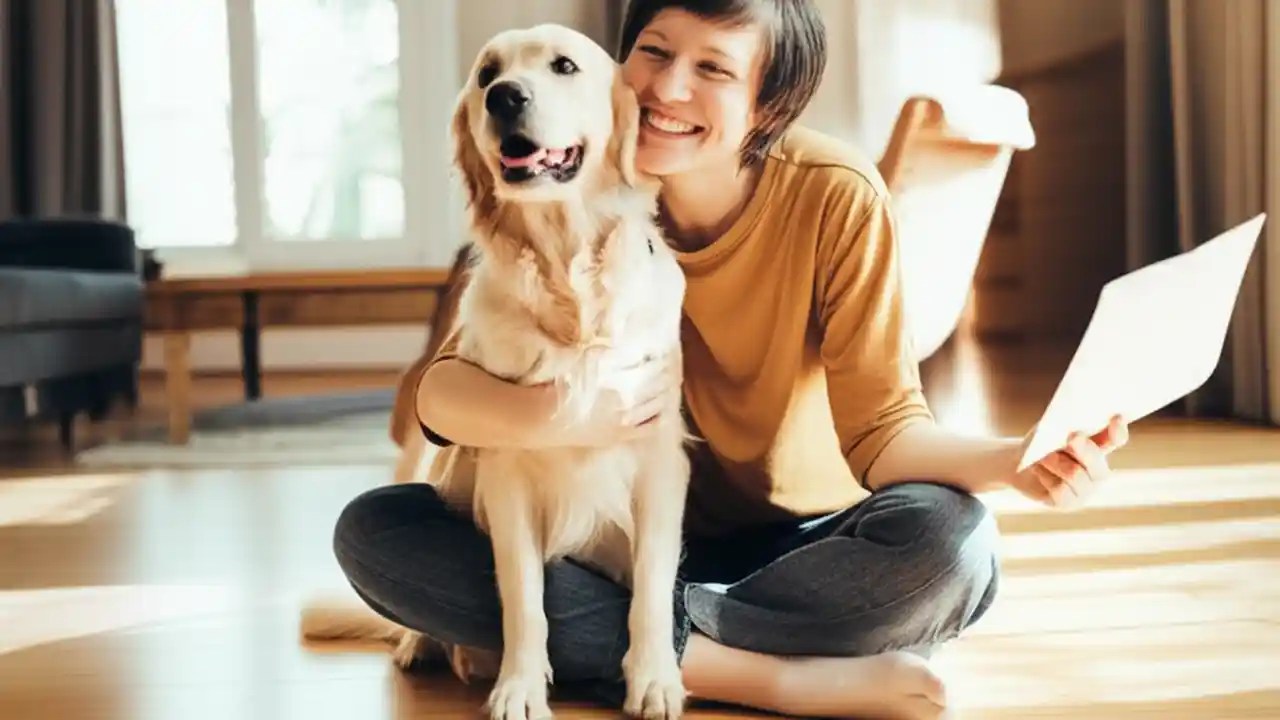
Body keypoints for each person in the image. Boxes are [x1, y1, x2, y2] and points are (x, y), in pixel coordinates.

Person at [332, 1, 1131, 718]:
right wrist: (563, 413)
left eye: (712, 68)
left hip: (798, 543)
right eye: (654, 51)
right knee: (375, 532)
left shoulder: (833, 197)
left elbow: (886, 429)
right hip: (612, 548)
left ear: (767, 105)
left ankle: (651, 649)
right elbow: (443, 395)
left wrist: (1020, 461)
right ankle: (768, 674)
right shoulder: (561, 196)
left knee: (955, 545)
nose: (668, 89)